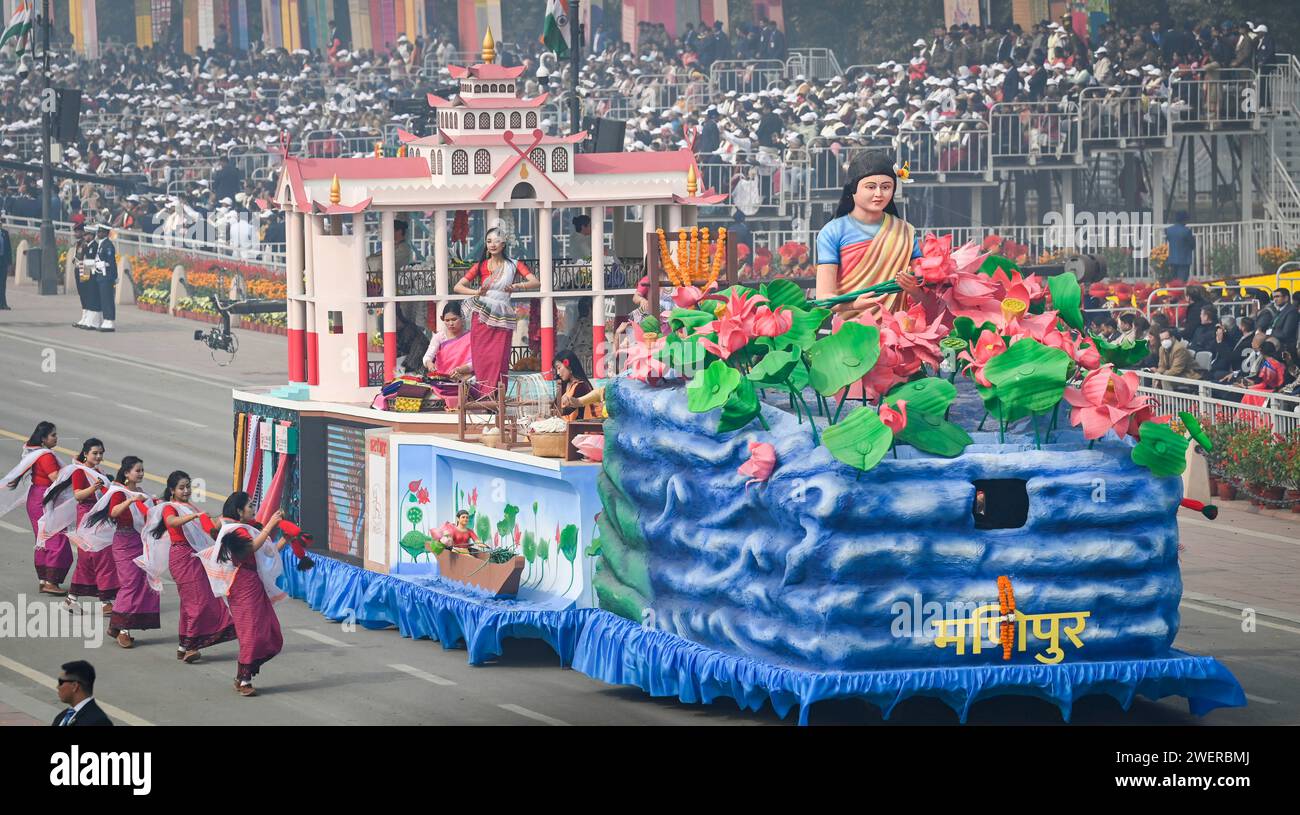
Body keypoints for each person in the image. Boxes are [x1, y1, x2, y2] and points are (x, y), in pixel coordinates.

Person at [815, 150, 924, 318]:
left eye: (886, 187)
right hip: (852, 330)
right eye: (870, 187)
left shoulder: (906, 232)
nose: (879, 194)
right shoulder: (832, 232)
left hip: (899, 327)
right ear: (853, 188)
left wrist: (914, 290)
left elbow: (926, 297)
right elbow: (823, 299)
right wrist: (853, 305)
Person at [146, 471, 236, 664]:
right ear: (172, 490)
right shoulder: (170, 507)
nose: (186, 490)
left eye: (188, 486)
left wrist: (223, 519)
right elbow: (171, 522)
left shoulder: (190, 507)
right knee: (197, 602)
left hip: (196, 556)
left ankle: (183, 646)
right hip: (182, 557)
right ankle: (192, 646)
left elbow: (207, 528)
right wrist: (193, 516)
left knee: (191, 602)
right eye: (182, 487)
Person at [212, 492, 286, 697]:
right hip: (242, 585)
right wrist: (270, 525)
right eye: (250, 506)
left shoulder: (247, 529)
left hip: (253, 583)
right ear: (239, 511)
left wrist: (285, 539)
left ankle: (242, 675)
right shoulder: (234, 531)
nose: (254, 509)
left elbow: (267, 550)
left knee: (266, 627)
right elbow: (249, 549)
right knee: (250, 630)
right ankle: (244, 679)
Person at [453, 227, 539, 398]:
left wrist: (517, 286)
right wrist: (476, 292)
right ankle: (483, 394)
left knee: (499, 357)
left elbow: (535, 282)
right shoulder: (480, 266)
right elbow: (458, 287)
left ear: (504, 244)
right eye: (489, 241)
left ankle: (496, 396)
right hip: (482, 315)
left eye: (496, 241)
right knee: (481, 357)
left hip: (503, 316)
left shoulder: (513, 264)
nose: (492, 245)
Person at [85, 456, 158, 648]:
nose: (141, 474)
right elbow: (114, 512)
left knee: (140, 584)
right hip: (124, 542)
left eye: (142, 470)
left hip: (140, 541)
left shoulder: (142, 493)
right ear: (126, 473)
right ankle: (124, 630)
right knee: (129, 585)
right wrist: (131, 500)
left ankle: (116, 626)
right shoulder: (119, 492)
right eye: (137, 470)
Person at [39, 438, 113, 613]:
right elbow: (78, 495)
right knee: (95, 556)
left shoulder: (98, 472)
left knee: (95, 557)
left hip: (98, 516)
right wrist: (94, 488)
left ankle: (74, 599)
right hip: (86, 516)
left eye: (101, 453)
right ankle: (104, 601)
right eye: (95, 453)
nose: (98, 456)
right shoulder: (80, 471)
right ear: (85, 454)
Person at [1, 422, 74, 595]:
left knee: (42, 540)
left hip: (37, 497)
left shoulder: (38, 453)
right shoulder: (46, 456)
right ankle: (51, 582)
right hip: (44, 500)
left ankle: (44, 580)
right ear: (43, 439)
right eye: (53, 435)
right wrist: (76, 473)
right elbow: (56, 478)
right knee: (56, 539)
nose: (56, 438)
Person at [419, 301, 474, 407]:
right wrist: (429, 364)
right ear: (442, 319)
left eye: (454, 319)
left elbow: (474, 363)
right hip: (441, 381)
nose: (450, 323)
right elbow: (428, 356)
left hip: (464, 379)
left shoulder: (471, 337)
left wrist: (460, 369)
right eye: (447, 320)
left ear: (462, 318)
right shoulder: (439, 337)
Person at [53, 661, 112, 726]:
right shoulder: (61, 717)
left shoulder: (99, 721)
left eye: (61, 682)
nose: (57, 687)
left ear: (74, 686)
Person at [71, 224, 101, 329]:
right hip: (81, 268)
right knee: (83, 294)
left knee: (87, 293)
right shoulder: (81, 243)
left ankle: (88, 319)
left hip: (86, 269)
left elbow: (88, 259)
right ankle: (85, 317)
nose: (84, 236)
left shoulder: (89, 245)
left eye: (86, 234)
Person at [90, 224, 118, 332]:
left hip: (107, 276)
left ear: (106, 233)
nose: (98, 233)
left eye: (100, 232)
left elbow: (111, 262)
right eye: (98, 231)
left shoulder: (108, 245)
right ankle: (106, 320)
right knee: (103, 299)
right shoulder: (101, 244)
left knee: (108, 299)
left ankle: (110, 320)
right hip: (101, 275)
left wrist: (114, 276)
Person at [553, 349, 596, 421]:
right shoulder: (564, 385)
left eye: (559, 368)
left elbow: (569, 409)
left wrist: (554, 412)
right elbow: (555, 406)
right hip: (563, 424)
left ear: (569, 366)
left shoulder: (581, 386)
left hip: (578, 426)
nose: (558, 372)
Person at [1165, 211, 1195, 280]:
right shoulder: (1187, 231)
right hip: (1184, 261)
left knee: (1173, 282)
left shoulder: (1169, 230)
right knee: (1182, 283)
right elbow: (1192, 245)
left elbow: (1169, 240)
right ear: (1184, 220)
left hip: (1172, 260)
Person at [0, 210, 11, 310]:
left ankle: (3, 303)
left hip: (3, 261)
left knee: (2, 283)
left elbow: (8, 249)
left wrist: (9, 262)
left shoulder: (5, 233)